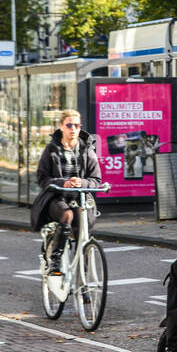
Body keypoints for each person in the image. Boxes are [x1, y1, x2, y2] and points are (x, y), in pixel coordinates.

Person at [29, 109, 101, 274]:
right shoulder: (52, 149)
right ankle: (55, 259)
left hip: (80, 198)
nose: (73, 128)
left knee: (82, 231)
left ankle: (82, 276)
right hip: (56, 197)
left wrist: (81, 182)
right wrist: (63, 182)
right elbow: (42, 178)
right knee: (67, 215)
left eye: (76, 125)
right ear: (61, 126)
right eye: (69, 125)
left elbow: (96, 179)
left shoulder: (87, 149)